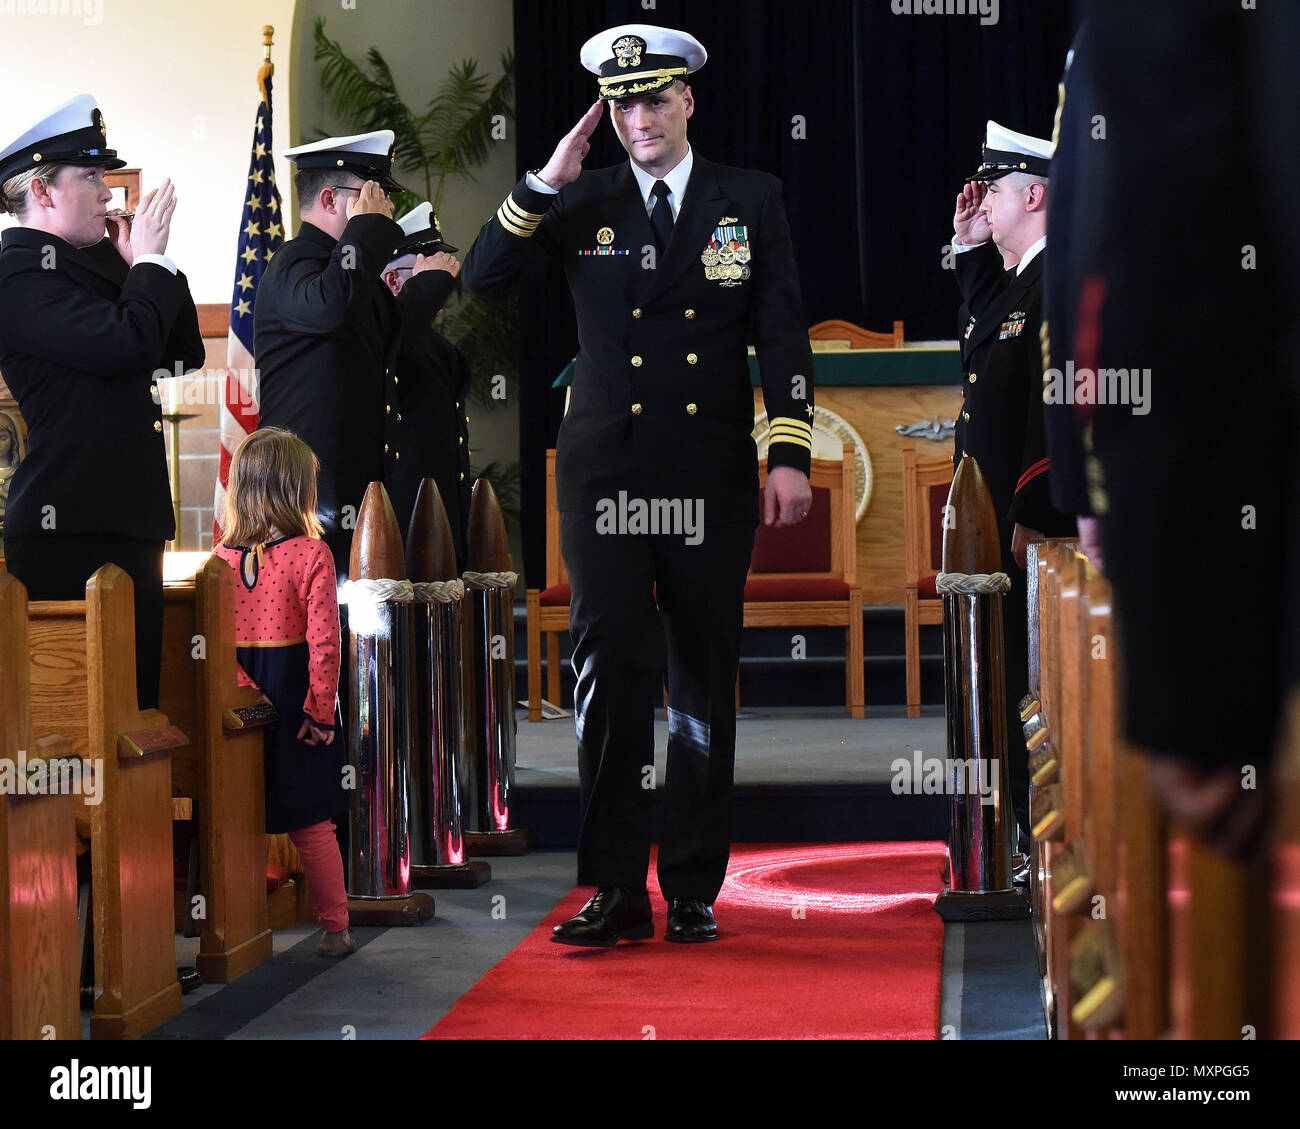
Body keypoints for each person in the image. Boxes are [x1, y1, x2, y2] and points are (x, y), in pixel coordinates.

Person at [463, 23, 815, 946]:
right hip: (608, 479)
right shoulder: (582, 200)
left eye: (655, 97)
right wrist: (545, 180)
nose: (639, 117)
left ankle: (694, 881)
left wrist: (789, 452)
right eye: (622, 103)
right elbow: (480, 278)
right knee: (612, 671)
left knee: (701, 677)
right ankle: (616, 884)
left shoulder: (750, 198)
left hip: (707, 481)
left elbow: (781, 333)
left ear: (688, 100)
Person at [0, 94, 203, 710]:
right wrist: (147, 264)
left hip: (124, 520)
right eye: (90, 177)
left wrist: (148, 262)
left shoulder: (89, 266)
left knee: (136, 724)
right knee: (89, 726)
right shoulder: (18, 276)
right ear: (42, 189)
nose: (109, 193)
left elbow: (182, 350)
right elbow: (127, 342)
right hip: (70, 530)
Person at [950, 121, 1076, 853]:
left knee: (1029, 687)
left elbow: (1050, 409)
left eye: (993, 190)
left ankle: (1037, 839)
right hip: (994, 523)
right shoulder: (1025, 280)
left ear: (1034, 192)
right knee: (1000, 682)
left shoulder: (1057, 280)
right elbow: (988, 349)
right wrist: (971, 250)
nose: (980, 200)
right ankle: (1010, 836)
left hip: (1028, 525)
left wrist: (1032, 510)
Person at [214, 427, 354, 958]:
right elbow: (324, 643)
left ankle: (238, 931)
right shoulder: (312, 553)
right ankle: (336, 928)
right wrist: (320, 711)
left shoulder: (219, 560)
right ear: (297, 490)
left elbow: (212, 643)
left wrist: (246, 694)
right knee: (312, 824)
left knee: (238, 817)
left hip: (240, 701)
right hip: (298, 699)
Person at [254, 130, 406, 580]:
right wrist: (365, 231)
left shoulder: (352, 271)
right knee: (321, 642)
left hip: (354, 489)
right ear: (330, 198)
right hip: (308, 499)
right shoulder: (294, 263)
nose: (387, 210)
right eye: (372, 197)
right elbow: (329, 308)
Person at [380, 201, 472, 563]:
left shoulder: (442, 351)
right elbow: (395, 342)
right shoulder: (378, 343)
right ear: (392, 279)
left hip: (445, 520)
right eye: (430, 273)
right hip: (400, 526)